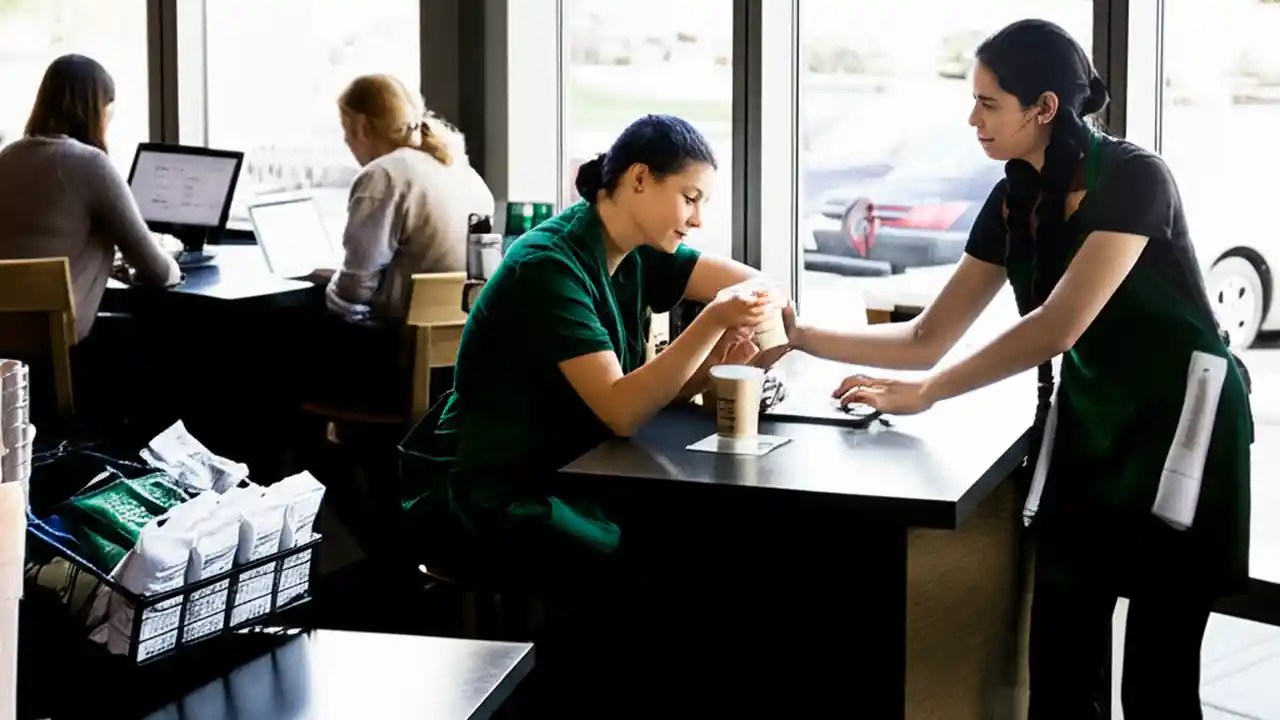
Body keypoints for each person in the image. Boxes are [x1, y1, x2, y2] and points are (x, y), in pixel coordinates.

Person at [783, 20, 1252, 719]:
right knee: (1060, 672)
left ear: (1044, 109)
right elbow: (926, 336)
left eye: (988, 103)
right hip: (1096, 429)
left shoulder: (1133, 178)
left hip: (1183, 428)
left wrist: (929, 394)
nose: (972, 119)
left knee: (1157, 683)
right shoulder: (1012, 201)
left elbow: (1056, 327)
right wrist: (799, 338)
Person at [0, 54, 180, 342]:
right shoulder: (90, 163)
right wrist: (173, 262)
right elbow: (157, 270)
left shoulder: (7, 156)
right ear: (96, 109)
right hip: (53, 337)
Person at [328, 73, 495, 322]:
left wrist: (330, 287)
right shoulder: (462, 171)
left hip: (398, 341)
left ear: (361, 126)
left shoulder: (383, 174)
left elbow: (355, 289)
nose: (347, 143)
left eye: (346, 132)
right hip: (461, 340)